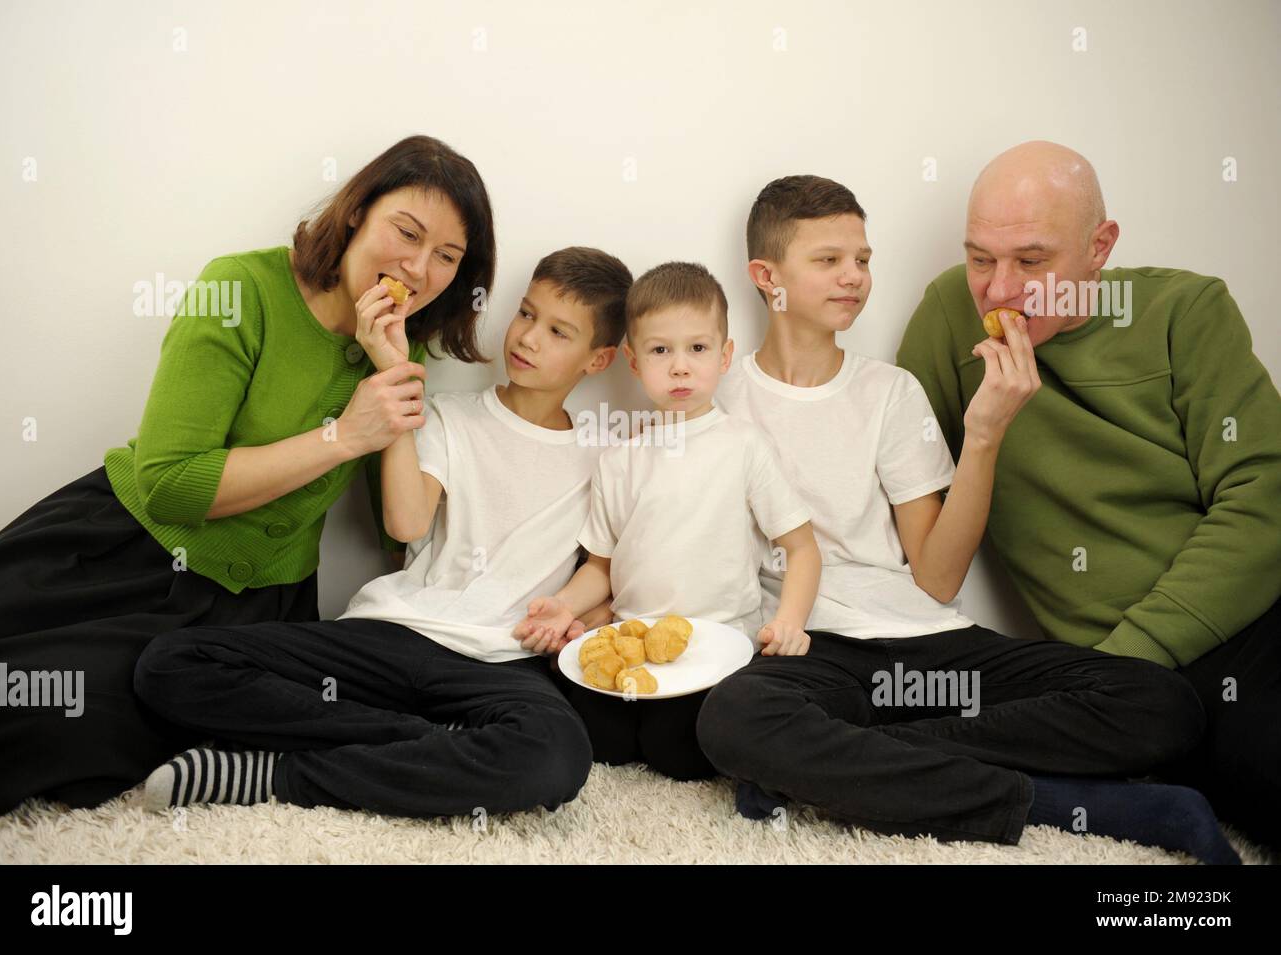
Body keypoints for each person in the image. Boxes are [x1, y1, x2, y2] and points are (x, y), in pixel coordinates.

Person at [695, 174, 1240, 864]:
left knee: (1162, 702)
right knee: (731, 718)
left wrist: (983, 434)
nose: (854, 277)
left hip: (926, 652)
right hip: (809, 653)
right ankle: (1088, 805)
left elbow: (937, 576)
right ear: (765, 276)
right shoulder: (716, 398)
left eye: (862, 259)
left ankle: (846, 763)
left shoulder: (891, 392)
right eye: (828, 260)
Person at [0, 135, 496, 820]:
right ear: (355, 214)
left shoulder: (400, 342)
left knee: (80, 722)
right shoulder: (241, 288)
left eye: (447, 258)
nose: (418, 267)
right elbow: (171, 484)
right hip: (123, 553)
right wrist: (341, 436)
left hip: (252, 610)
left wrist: (388, 370)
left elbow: (402, 526)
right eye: (407, 232)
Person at [132, 248, 631, 818]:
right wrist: (392, 371)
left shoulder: (605, 456)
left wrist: (575, 612)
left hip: (500, 659)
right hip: (392, 635)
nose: (528, 337)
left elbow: (603, 565)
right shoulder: (447, 415)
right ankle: (425, 741)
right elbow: (405, 522)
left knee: (557, 755)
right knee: (170, 664)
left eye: (558, 331)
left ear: (599, 360)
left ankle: (279, 775)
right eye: (525, 313)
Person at [895, 140, 1281, 849]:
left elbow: (1265, 497)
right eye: (981, 258)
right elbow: (900, 500)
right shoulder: (949, 313)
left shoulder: (1185, 310)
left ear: (1099, 247)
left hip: (1246, 619)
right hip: (1130, 684)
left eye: (1032, 261)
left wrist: (1123, 664)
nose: (1000, 289)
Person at [515, 261, 821, 782]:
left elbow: (803, 548)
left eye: (697, 349)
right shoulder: (620, 460)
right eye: (661, 351)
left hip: (718, 649)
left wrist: (790, 622)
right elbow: (601, 565)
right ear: (633, 363)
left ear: (724, 356)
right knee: (597, 739)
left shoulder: (742, 446)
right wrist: (561, 606)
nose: (680, 367)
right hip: (636, 643)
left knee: (677, 753)